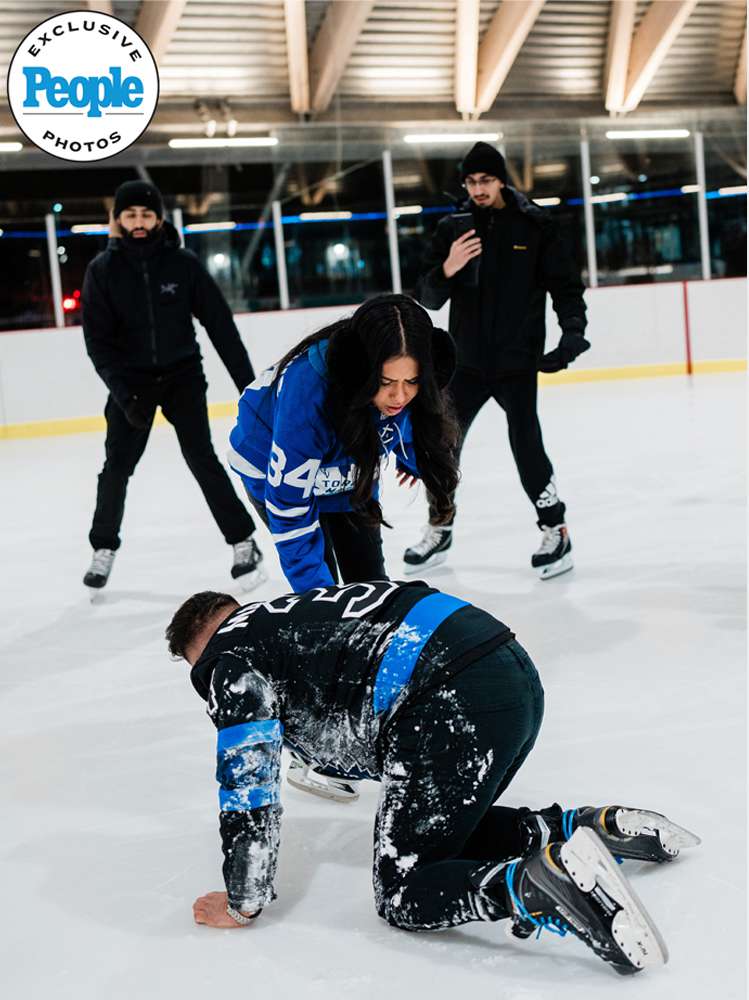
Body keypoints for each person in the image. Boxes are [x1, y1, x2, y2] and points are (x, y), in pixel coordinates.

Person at [165, 580, 699, 975]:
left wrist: (243, 899)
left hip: (445, 700)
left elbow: (247, 790)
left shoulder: (226, 659)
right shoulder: (292, 616)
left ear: (200, 645)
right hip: (510, 671)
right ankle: (582, 829)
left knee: (403, 889)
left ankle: (541, 884)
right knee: (440, 832)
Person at [227, 293, 460, 803]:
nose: (400, 395)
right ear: (362, 370)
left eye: (411, 382)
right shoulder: (306, 393)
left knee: (372, 592)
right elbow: (290, 512)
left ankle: (378, 716)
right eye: (387, 382)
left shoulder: (388, 393)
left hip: (345, 462)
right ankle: (312, 753)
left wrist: (408, 451)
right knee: (330, 619)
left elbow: (399, 425)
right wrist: (324, 605)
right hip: (276, 469)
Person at [405, 141, 589, 580]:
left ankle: (555, 529)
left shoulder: (534, 226)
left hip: (516, 361)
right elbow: (427, 299)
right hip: (465, 362)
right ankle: (440, 525)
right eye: (470, 182)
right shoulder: (453, 228)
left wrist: (573, 333)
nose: (477, 189)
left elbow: (566, 287)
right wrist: (447, 268)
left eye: (485, 180)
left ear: (502, 179)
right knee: (443, 446)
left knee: (526, 444)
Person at [79, 179, 265, 598]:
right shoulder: (102, 272)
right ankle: (103, 548)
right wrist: (125, 396)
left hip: (182, 377)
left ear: (159, 218)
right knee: (116, 469)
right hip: (133, 383)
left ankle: (243, 542)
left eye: (146, 214)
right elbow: (98, 345)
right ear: (118, 220)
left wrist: (248, 387)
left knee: (203, 459)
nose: (139, 222)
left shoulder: (182, 265)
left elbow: (220, 326)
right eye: (131, 215)